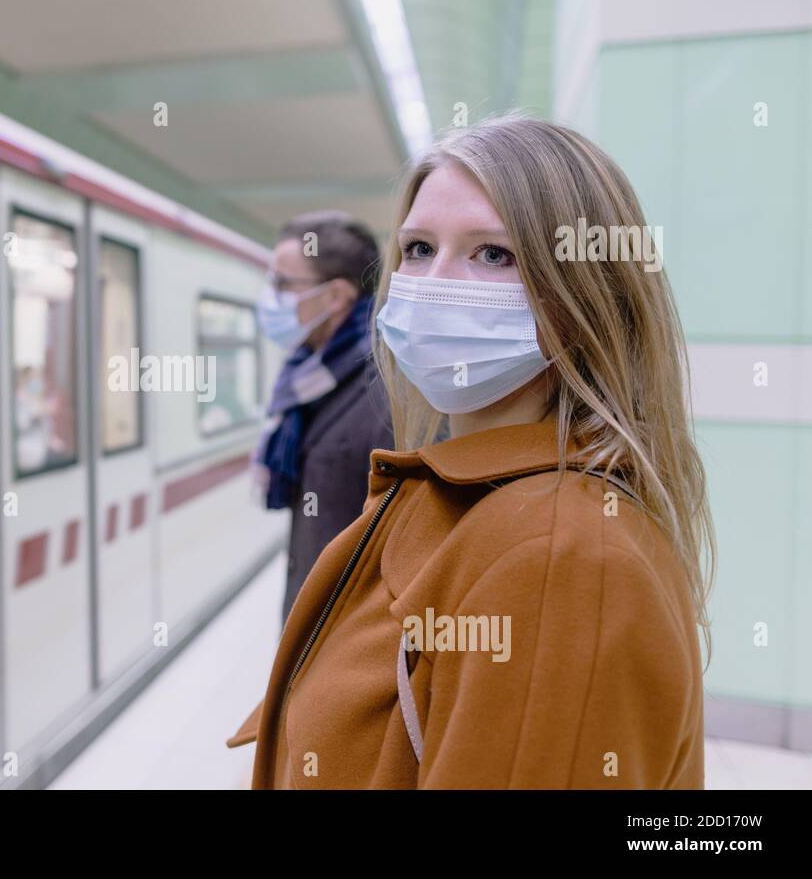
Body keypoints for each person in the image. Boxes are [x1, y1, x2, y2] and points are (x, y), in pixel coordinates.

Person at [228, 115, 714, 789]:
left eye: (494, 254)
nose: (433, 284)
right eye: (419, 249)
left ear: (582, 294)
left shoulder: (562, 559)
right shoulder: (450, 491)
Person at [252, 211, 394, 627]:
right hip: (312, 625)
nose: (271, 298)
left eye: (283, 285)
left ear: (335, 296)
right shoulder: (309, 376)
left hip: (343, 637)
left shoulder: (384, 391)